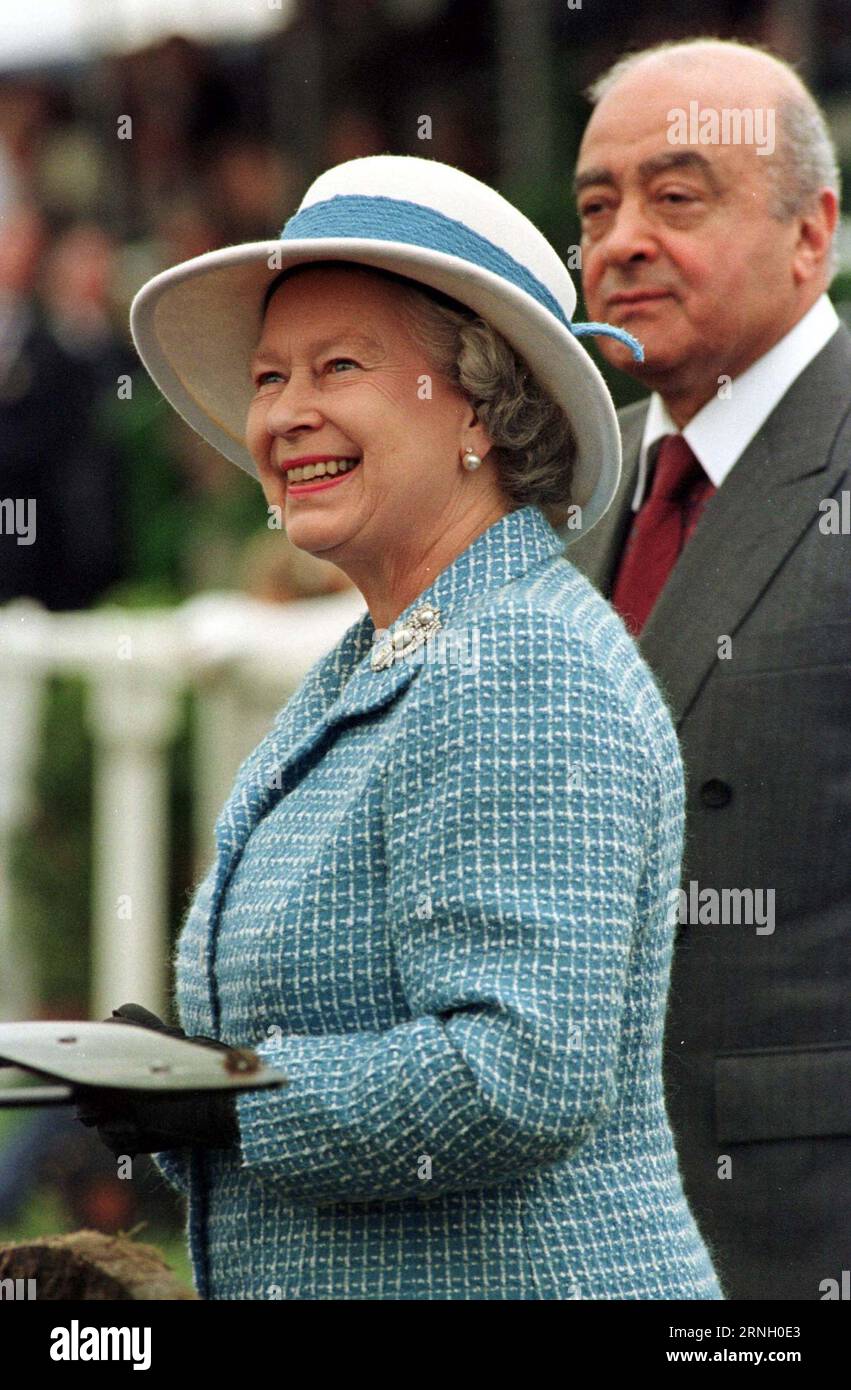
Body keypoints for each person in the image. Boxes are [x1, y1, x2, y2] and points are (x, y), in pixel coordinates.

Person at [78, 154, 723, 1301]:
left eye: (339, 366)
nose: (284, 412)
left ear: (477, 404)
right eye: (270, 375)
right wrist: (179, 1090)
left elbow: (516, 1073)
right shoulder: (384, 654)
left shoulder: (517, 658)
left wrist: (225, 1096)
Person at [568, 37, 850, 1301]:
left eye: (675, 198)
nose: (619, 239)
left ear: (811, 234)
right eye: (593, 205)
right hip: (577, 1229)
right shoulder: (573, 484)